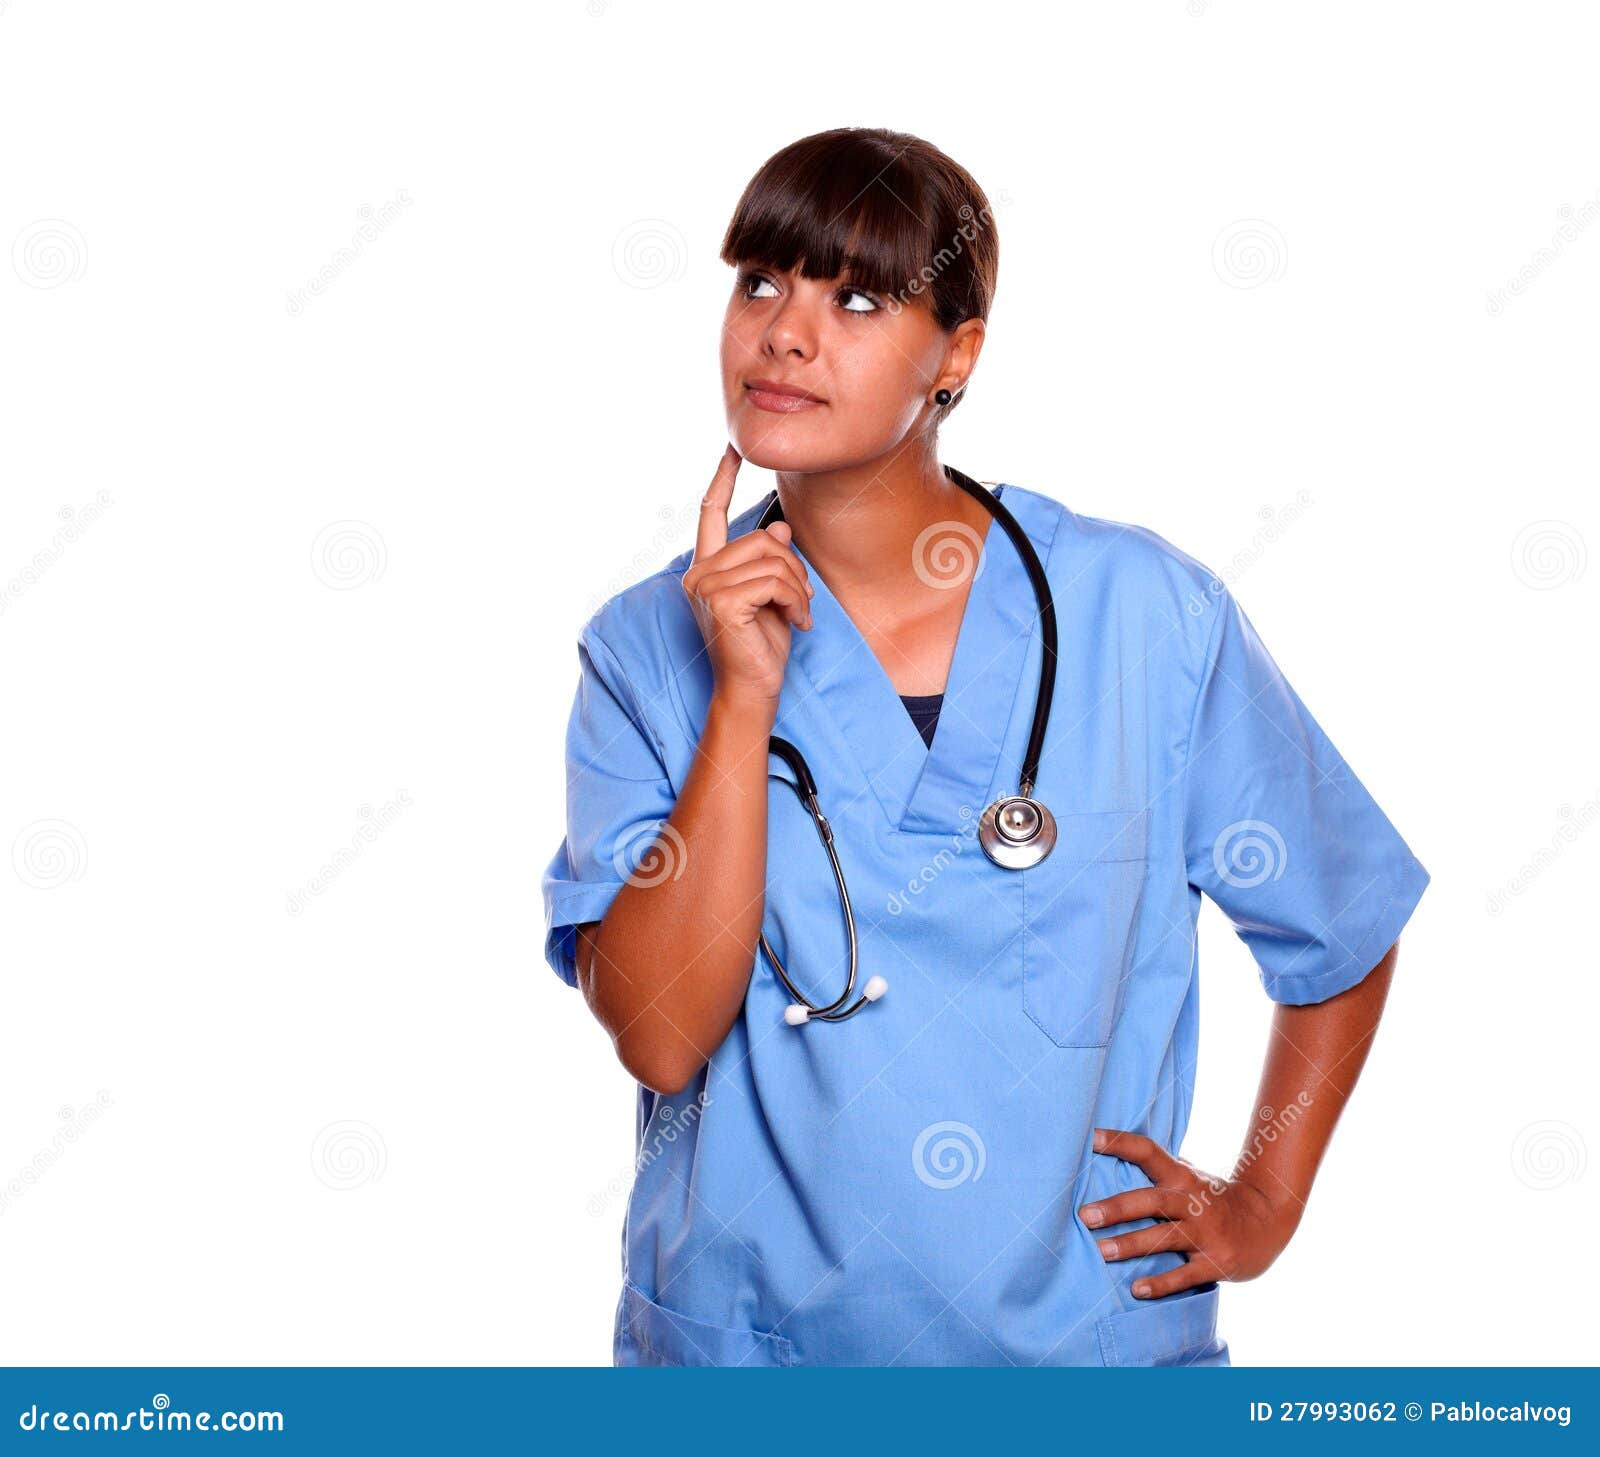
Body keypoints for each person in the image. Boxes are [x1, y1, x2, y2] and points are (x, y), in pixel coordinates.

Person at [539, 127, 1429, 1366]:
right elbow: (659, 1032)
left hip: (1080, 1363)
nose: (783, 333)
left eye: (854, 297)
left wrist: (1262, 1199)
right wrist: (741, 700)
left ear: (954, 357)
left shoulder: (1141, 614)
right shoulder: (644, 650)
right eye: (760, 282)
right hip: (753, 1358)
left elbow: (1340, 922)